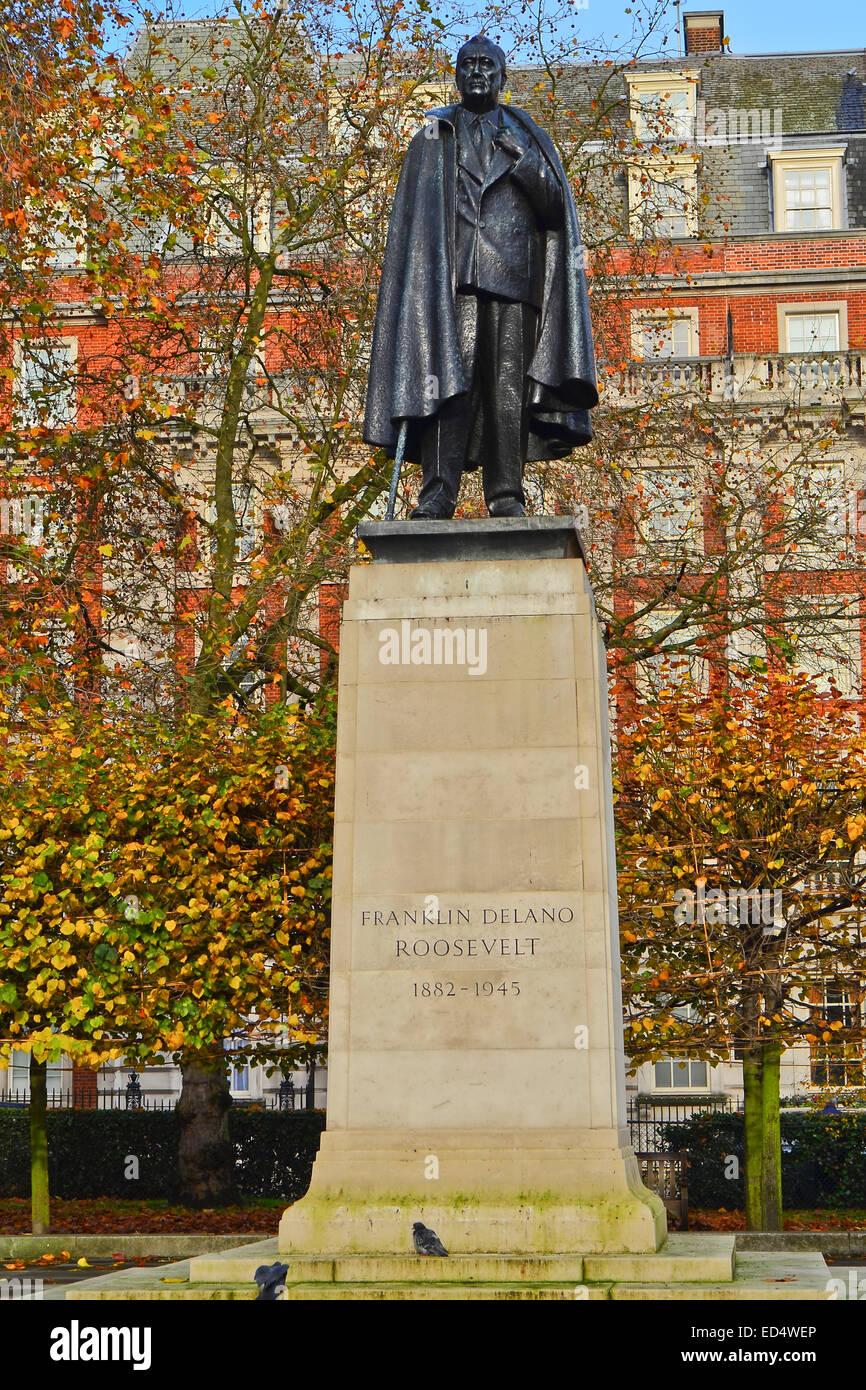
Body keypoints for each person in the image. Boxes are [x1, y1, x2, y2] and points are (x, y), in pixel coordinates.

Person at [363, 35, 598, 519]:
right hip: (448, 282)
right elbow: (411, 224)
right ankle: (438, 490)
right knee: (446, 383)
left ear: (502, 76)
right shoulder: (431, 137)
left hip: (514, 280)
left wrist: (525, 163)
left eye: (486, 65)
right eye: (467, 64)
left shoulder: (528, 135)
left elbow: (557, 211)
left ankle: (506, 493)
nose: (476, 72)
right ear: (455, 74)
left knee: (506, 390)